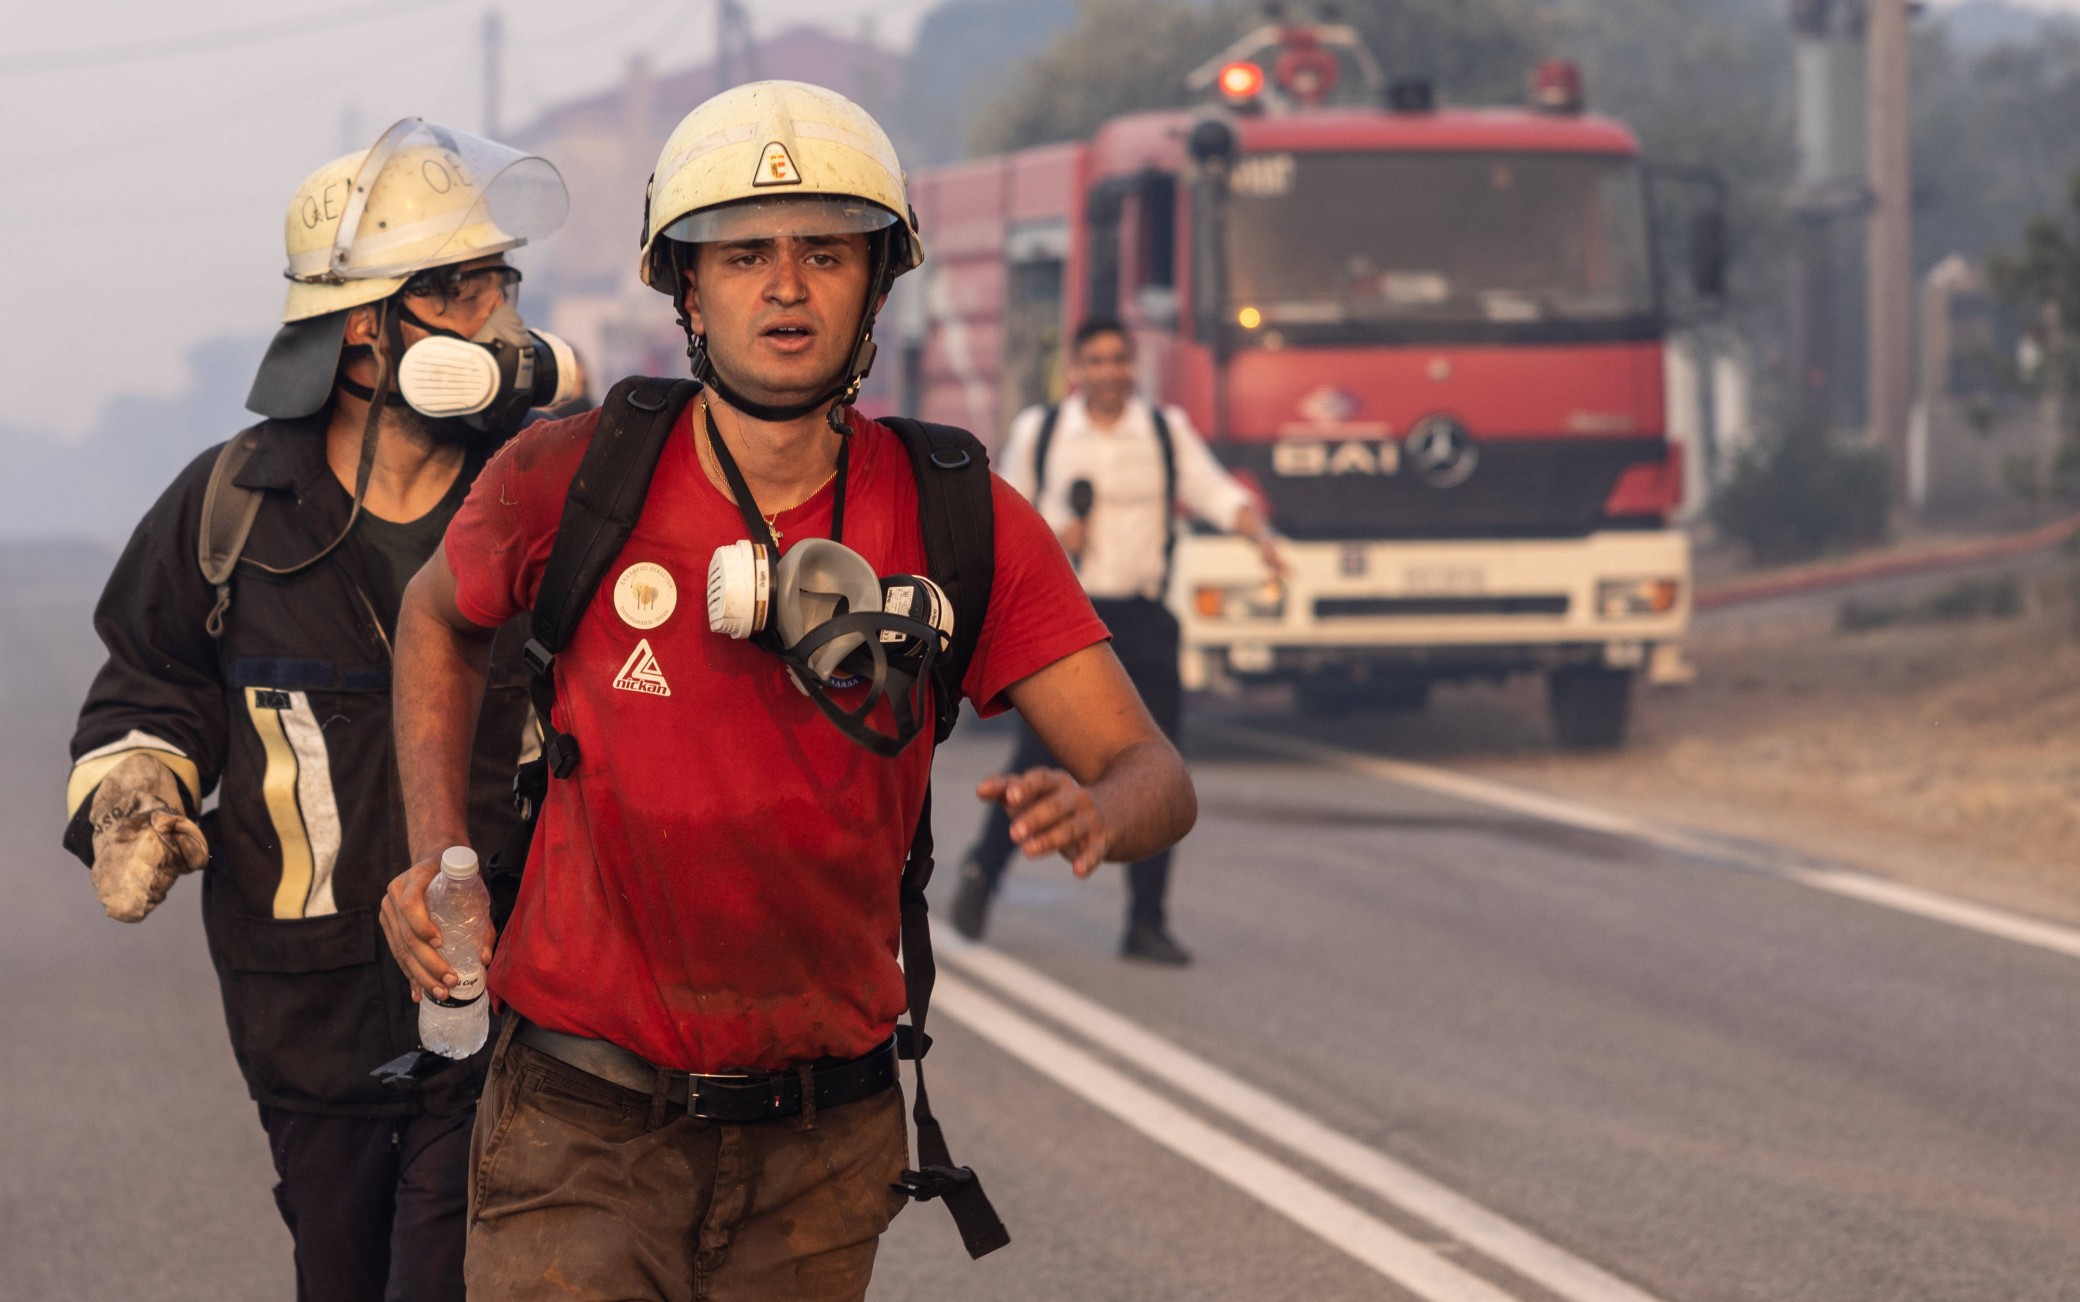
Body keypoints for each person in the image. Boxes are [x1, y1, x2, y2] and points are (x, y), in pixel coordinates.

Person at [377, 80, 1198, 1300]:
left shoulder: (960, 516)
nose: (784, 284)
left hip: (821, 1146)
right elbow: (434, 619)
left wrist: (1097, 812)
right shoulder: (567, 479)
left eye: (825, 251)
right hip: (580, 1121)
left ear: (875, 283)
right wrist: (438, 856)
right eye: (744, 253)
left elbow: (1154, 776)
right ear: (686, 289)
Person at [62, 119, 571, 1302]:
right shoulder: (235, 506)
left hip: (508, 1000)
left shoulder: (539, 495)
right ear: (360, 327)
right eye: (458, 288)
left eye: (501, 283)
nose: (498, 317)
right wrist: (136, 800)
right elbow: (146, 684)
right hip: (304, 1012)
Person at [950, 318, 1284, 965]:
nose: (1110, 371)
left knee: (1154, 767)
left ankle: (1146, 922)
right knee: (1032, 760)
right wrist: (1057, 535)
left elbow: (1215, 492)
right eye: (1097, 361)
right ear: (1078, 368)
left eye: (1119, 360)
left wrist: (1258, 534)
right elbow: (1006, 520)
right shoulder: (1043, 434)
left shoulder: (1164, 431)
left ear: (1133, 366)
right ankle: (982, 875)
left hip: (1143, 619)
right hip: (1061, 622)